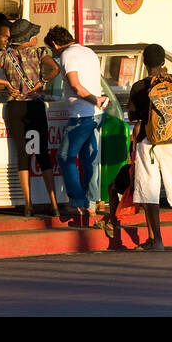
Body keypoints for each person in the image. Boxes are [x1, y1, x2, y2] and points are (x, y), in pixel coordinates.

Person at [0, 18, 62, 218]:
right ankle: (54, 204)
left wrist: (5, 83)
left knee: (22, 156)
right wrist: (41, 82)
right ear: (30, 39)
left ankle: (28, 205)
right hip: (35, 107)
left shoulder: (5, 56)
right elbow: (55, 70)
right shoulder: (40, 53)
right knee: (42, 155)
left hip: (15, 108)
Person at [128, 44, 172, 250]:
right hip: (171, 141)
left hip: (147, 141)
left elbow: (133, 115)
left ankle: (156, 240)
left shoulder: (139, 86)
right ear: (163, 62)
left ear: (144, 62)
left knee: (149, 191)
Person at [44, 26, 110, 224]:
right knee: (90, 159)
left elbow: (75, 85)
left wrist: (94, 100)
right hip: (97, 114)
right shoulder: (88, 52)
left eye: (52, 50)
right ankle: (90, 203)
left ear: (55, 44)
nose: (54, 54)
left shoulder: (67, 55)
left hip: (82, 114)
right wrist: (97, 102)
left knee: (65, 157)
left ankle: (77, 201)